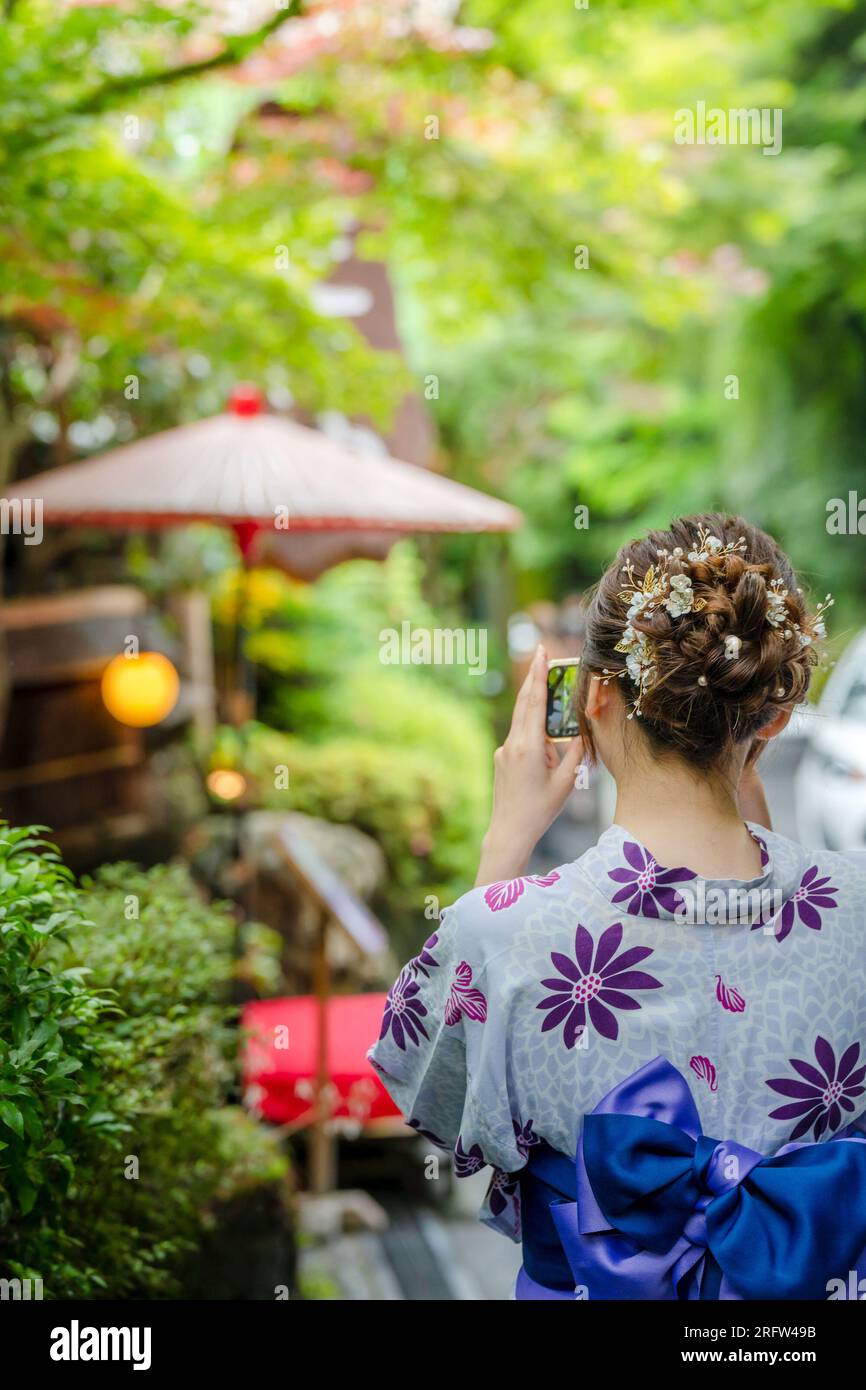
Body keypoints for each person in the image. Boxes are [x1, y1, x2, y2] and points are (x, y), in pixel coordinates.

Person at [368, 513, 866, 1300]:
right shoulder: (859, 911)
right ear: (773, 714)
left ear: (594, 696)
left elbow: (438, 1100)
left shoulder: (500, 933)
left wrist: (506, 843)